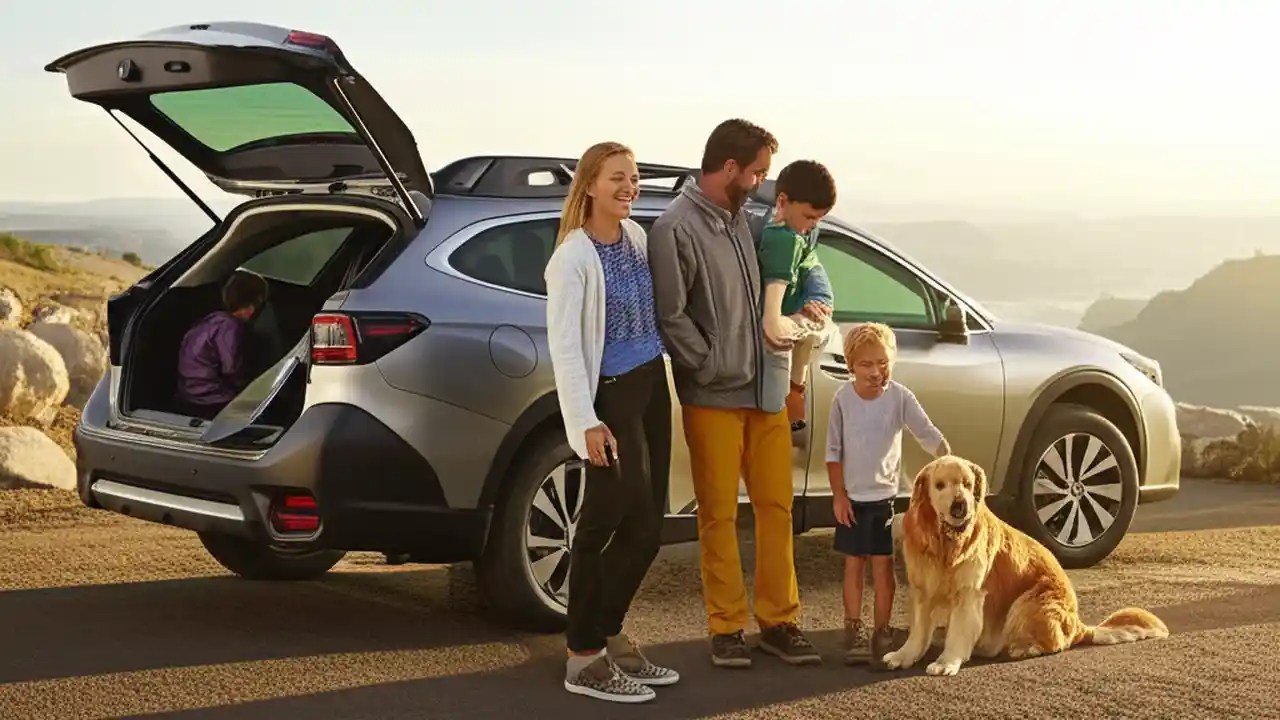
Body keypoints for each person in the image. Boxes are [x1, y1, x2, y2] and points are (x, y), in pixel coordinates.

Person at [649, 118, 821, 668]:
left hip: (766, 393)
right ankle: (726, 627)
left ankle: (780, 621)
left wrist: (800, 314)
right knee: (718, 515)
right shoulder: (675, 228)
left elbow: (778, 288)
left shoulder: (749, 225)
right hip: (712, 397)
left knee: (777, 509)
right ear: (730, 168)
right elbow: (671, 315)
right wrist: (709, 363)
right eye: (757, 172)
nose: (763, 182)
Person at [544, 141, 679, 703]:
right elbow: (566, 348)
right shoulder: (572, 258)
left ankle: (610, 632)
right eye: (619, 177)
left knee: (647, 528)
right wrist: (588, 420)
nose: (630, 186)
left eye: (635, 177)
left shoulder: (636, 238)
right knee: (601, 525)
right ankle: (582, 657)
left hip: (651, 386)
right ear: (591, 185)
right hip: (611, 400)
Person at [824, 322, 951, 665]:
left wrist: (948, 458)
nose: (876, 371)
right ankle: (853, 630)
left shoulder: (900, 397)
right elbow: (833, 452)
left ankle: (882, 631)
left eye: (883, 362)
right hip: (851, 501)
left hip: (883, 500)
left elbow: (925, 432)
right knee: (854, 565)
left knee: (883, 567)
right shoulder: (843, 399)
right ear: (851, 365)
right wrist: (838, 496)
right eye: (866, 364)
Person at [757, 160, 839, 431]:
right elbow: (777, 284)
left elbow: (810, 264)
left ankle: (796, 389)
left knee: (817, 325)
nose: (811, 226)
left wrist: (816, 299)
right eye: (808, 217)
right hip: (772, 340)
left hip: (793, 317)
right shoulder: (780, 237)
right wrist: (777, 320)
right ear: (783, 201)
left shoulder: (803, 233)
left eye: (818, 219)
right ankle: (794, 391)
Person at [175, 269, 268, 419]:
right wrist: (252, 386)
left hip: (188, 392)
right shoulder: (230, 327)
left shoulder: (211, 320)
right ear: (251, 308)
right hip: (211, 399)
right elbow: (231, 368)